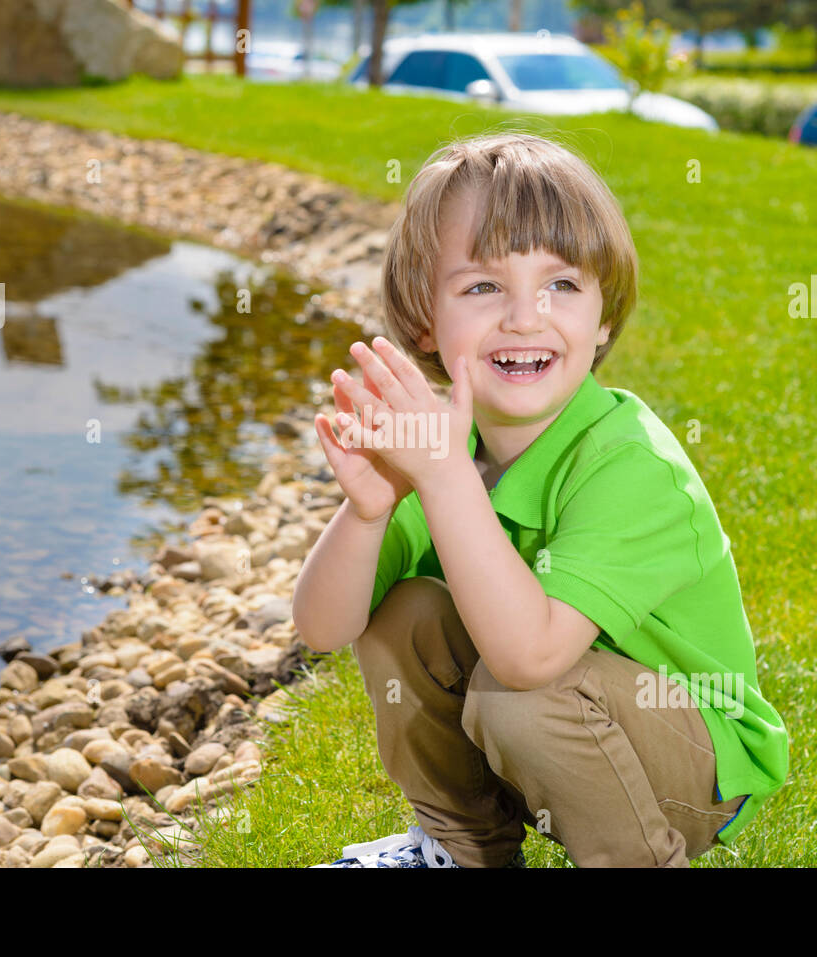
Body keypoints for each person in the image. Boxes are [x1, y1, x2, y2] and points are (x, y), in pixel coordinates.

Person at [292, 131, 788, 868]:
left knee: (515, 691)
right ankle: (464, 852)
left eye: (562, 284)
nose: (526, 316)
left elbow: (530, 659)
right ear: (425, 317)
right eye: (483, 286)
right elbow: (325, 627)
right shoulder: (444, 449)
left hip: (689, 763)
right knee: (403, 614)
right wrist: (367, 511)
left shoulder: (632, 462)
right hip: (557, 728)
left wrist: (446, 481)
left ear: (605, 317)